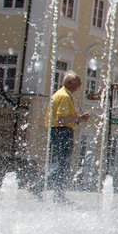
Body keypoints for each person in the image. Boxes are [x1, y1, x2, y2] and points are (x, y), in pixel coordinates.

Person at [45, 71, 91, 202]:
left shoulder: (64, 94)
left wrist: (77, 118)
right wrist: (79, 118)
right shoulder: (64, 96)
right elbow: (60, 119)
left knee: (63, 163)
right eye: (78, 82)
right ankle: (39, 186)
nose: (81, 84)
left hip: (60, 131)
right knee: (62, 163)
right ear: (70, 82)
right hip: (61, 131)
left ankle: (59, 195)